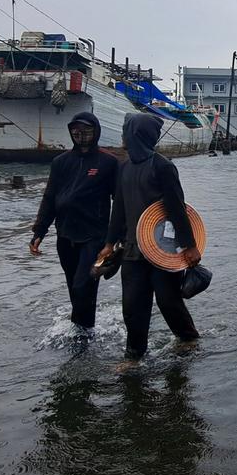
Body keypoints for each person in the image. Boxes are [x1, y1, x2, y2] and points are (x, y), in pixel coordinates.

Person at [99, 113, 202, 366]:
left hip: (163, 250)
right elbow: (119, 209)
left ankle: (188, 338)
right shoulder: (124, 167)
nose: (122, 137)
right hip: (133, 249)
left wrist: (189, 246)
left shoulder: (163, 166)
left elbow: (177, 209)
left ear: (137, 135)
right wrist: (109, 243)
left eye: (126, 132)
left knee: (168, 301)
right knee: (133, 304)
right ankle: (133, 356)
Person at [30, 112, 118, 335]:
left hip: (94, 237)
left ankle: (84, 329)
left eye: (87, 131)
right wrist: (40, 230)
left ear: (96, 132)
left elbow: (120, 202)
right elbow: (50, 197)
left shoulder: (108, 162)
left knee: (83, 284)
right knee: (73, 287)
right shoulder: (60, 162)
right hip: (66, 235)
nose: (81, 136)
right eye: (76, 132)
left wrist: (116, 239)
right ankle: (82, 330)